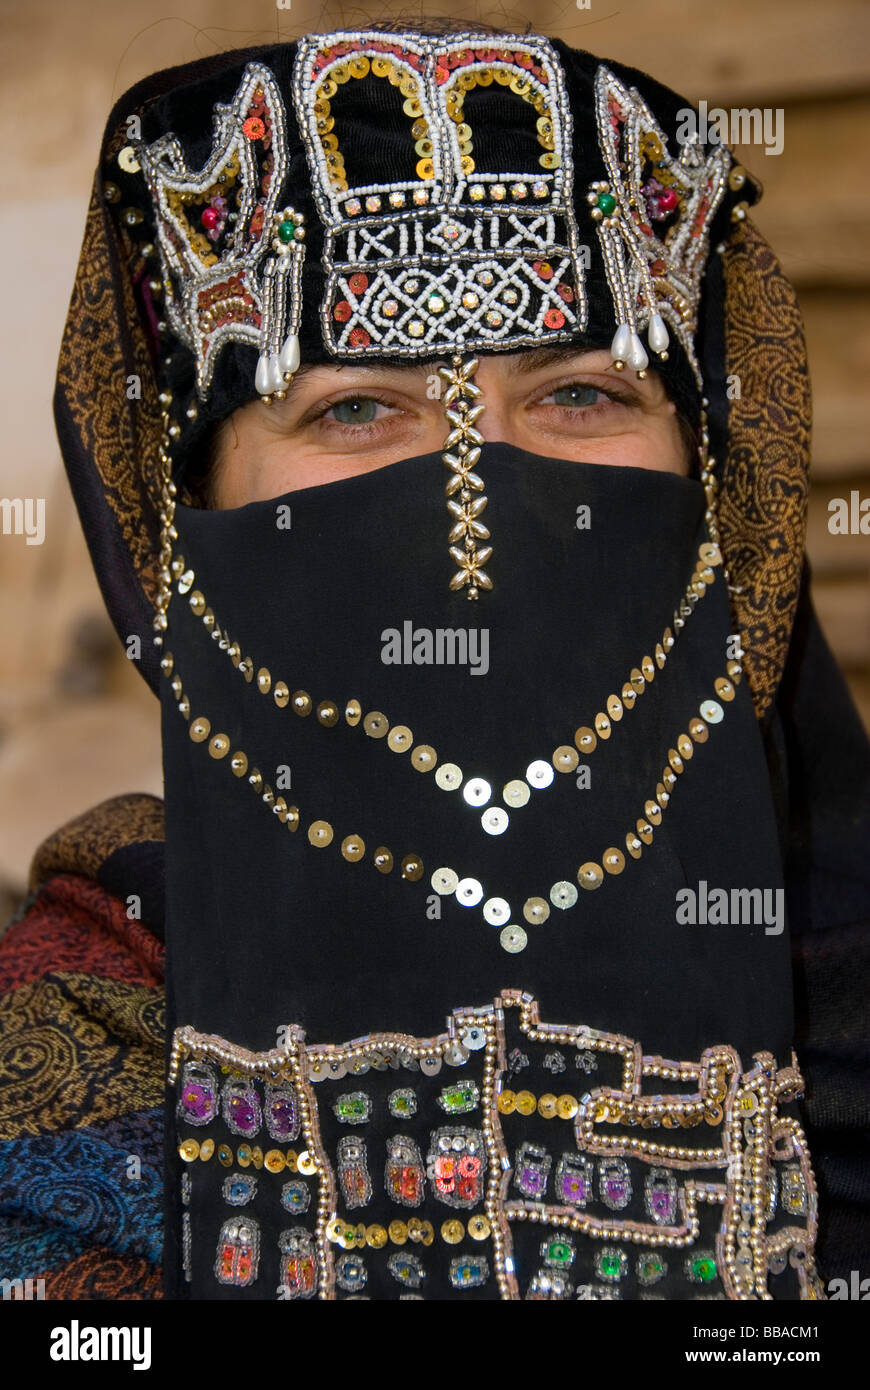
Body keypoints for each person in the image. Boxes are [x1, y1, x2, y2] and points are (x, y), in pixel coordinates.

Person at [3, 20, 868, 1301]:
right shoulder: (74, 1043)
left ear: (718, 486)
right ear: (185, 523)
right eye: (354, 408)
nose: (476, 495)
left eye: (583, 392)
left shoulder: (836, 964)